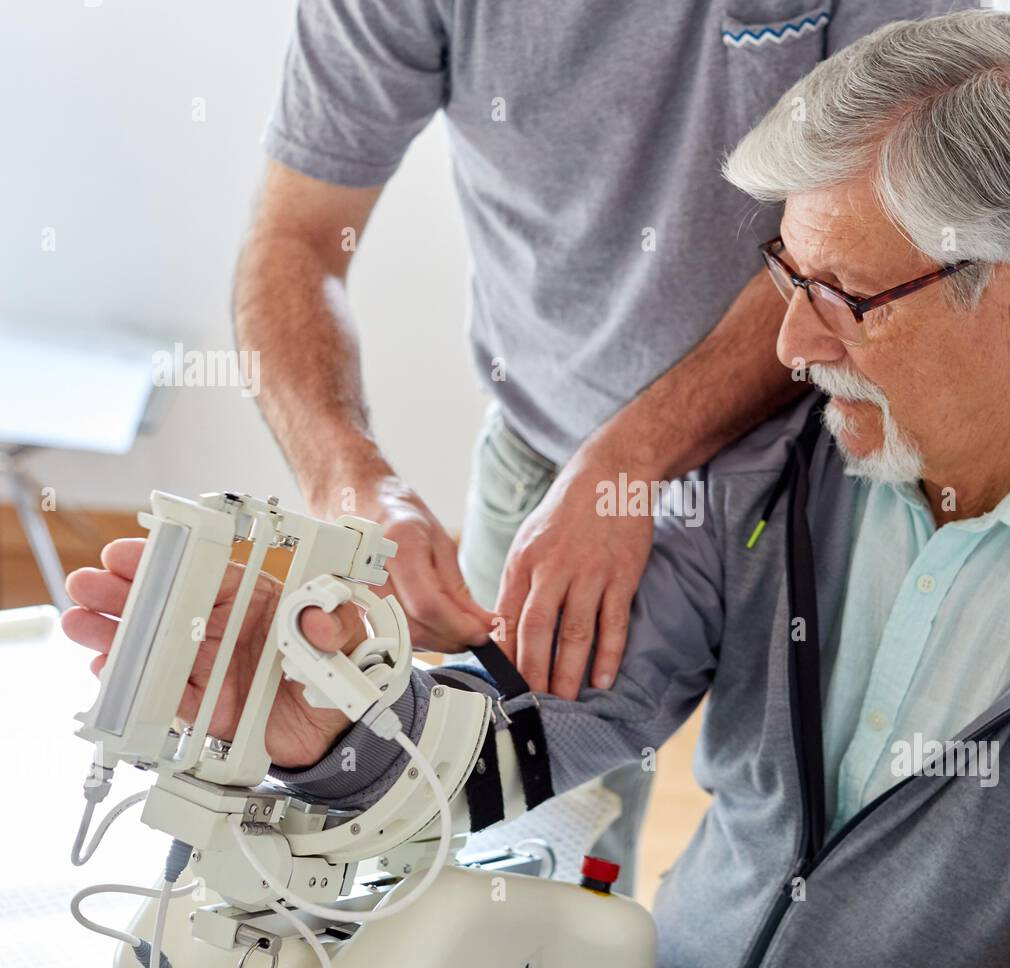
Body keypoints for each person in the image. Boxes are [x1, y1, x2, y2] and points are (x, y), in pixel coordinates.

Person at [68, 9, 1010, 968]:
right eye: (786, 277)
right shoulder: (776, 470)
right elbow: (518, 736)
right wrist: (326, 729)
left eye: (848, 298)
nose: (797, 341)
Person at [231, 0, 960, 895]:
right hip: (550, 473)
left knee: (840, 866)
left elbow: (900, 224)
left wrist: (626, 461)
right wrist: (351, 481)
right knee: (515, 861)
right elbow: (296, 239)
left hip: (846, 472)